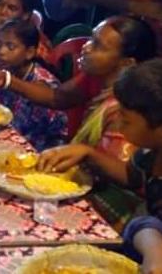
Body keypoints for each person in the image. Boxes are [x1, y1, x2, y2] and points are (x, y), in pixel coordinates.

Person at [0, 16, 157, 229]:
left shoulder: (125, 110)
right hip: (84, 177)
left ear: (126, 63)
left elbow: (126, 179)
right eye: (91, 39)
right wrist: (7, 80)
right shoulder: (94, 77)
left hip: (110, 201)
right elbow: (56, 97)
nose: (86, 47)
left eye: (98, 45)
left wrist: (87, 154)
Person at [34, 59, 162, 273]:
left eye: (126, 120)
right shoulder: (151, 153)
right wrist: (89, 153)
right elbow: (131, 176)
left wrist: (152, 245)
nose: (118, 123)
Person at [0, 19, 66, 150]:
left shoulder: (43, 82)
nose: (2, 51)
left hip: (36, 150)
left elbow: (49, 137)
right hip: (5, 139)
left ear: (30, 52)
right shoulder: (5, 69)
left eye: (10, 47)